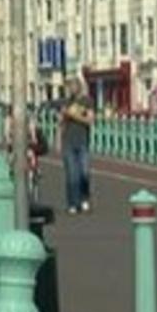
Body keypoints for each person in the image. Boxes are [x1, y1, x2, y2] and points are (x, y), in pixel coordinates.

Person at [60, 78, 94, 214]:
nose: (71, 89)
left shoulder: (87, 101)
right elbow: (62, 123)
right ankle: (73, 203)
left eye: (73, 86)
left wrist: (74, 116)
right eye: (70, 87)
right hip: (68, 141)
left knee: (84, 173)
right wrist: (58, 139)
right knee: (72, 175)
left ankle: (84, 198)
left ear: (79, 87)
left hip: (82, 141)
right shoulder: (67, 102)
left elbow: (90, 120)